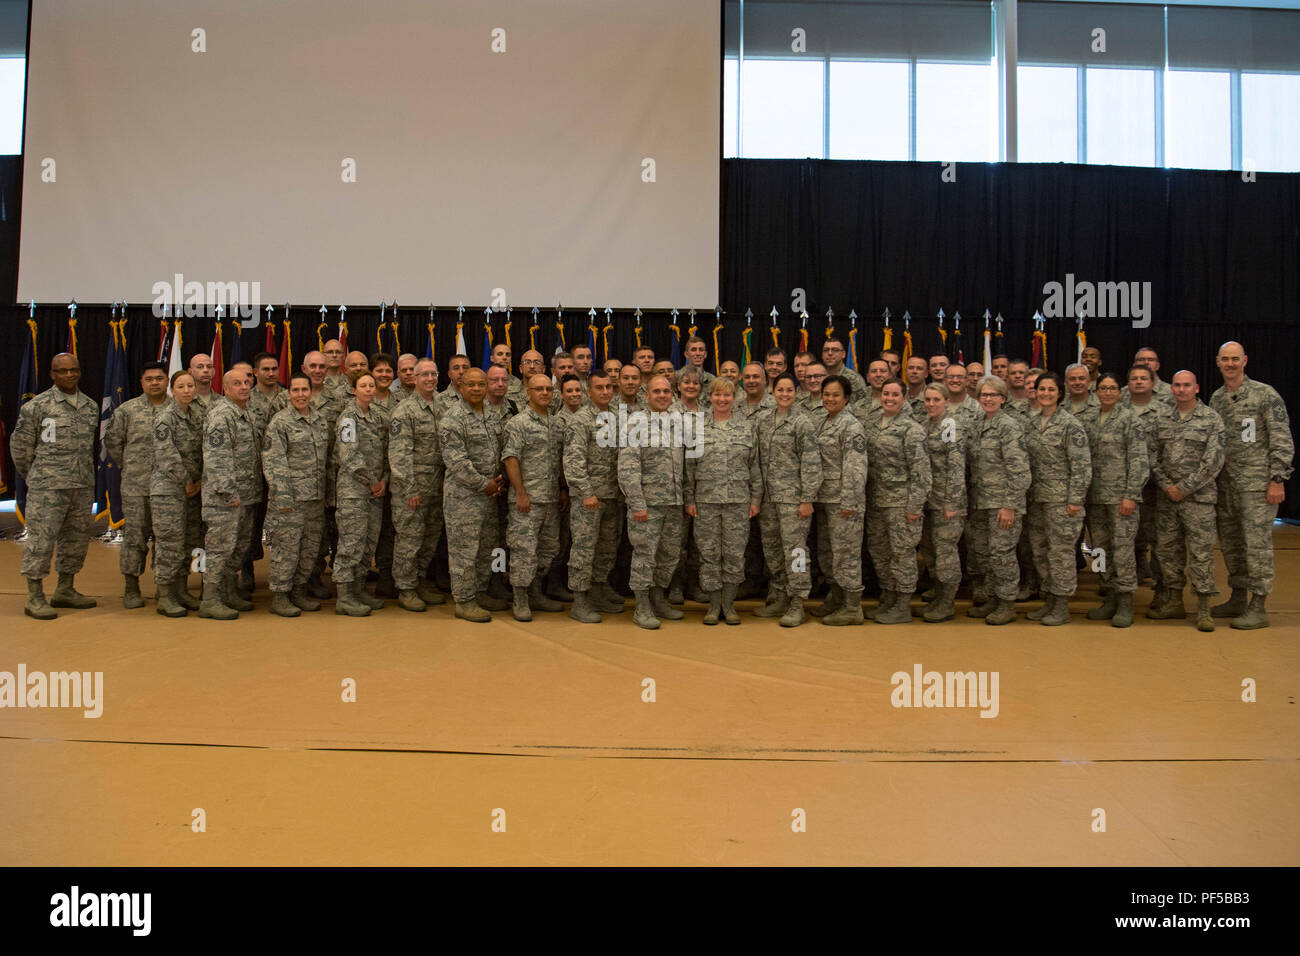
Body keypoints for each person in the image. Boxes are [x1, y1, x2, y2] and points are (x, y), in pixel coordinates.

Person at [1210, 341, 1293, 628]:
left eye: (1235, 359)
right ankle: (1237, 596)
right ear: (1218, 362)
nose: (1230, 364)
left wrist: (1277, 479)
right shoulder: (1217, 398)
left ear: (1245, 361)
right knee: (1232, 544)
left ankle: (1258, 605)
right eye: (1225, 359)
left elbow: (1281, 438)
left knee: (1256, 545)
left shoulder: (1265, 394)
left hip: (1257, 485)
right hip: (1227, 485)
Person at [13, 352, 100, 619]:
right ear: (52, 374)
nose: (69, 375)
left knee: (75, 540)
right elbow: (20, 448)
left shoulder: (90, 406)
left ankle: (65, 588)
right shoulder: (37, 406)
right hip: (47, 487)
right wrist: (38, 476)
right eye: (62, 371)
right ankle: (35, 595)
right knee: (41, 541)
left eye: (73, 370)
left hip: (81, 485)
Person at [1147, 371, 1225, 631]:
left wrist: (1185, 487)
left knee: (1201, 554)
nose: (1181, 390)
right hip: (1167, 499)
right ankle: (1174, 602)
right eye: (1177, 385)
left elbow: (1214, 461)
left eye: (1186, 385)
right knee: (1168, 552)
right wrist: (1167, 485)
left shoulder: (1211, 418)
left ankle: (1203, 609)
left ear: (1197, 388)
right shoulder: (1161, 419)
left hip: (1199, 500)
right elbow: (1152, 456)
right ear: (1172, 389)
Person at [685, 378, 761, 625]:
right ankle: (713, 605)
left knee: (734, 554)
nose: (722, 400)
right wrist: (690, 499)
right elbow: (689, 467)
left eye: (727, 395)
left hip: (738, 501)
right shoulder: (698, 427)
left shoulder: (746, 427)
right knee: (708, 554)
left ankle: (729, 606)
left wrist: (756, 498)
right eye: (718, 395)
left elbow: (755, 466)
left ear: (734, 397)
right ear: (710, 397)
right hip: (705, 501)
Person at [618, 375, 687, 629]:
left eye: (666, 392)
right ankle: (642, 605)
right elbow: (627, 468)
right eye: (656, 391)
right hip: (647, 504)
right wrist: (637, 504)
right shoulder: (634, 423)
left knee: (669, 554)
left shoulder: (677, 423)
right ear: (646, 395)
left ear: (672, 395)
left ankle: (658, 597)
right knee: (645, 555)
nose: (661, 395)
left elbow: (684, 466)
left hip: (673, 503)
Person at [1023, 371, 1091, 626]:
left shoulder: (1070, 425)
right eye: (1042, 389)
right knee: (1040, 552)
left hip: (1062, 502)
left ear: (1059, 393)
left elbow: (1082, 465)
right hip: (1037, 500)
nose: (1046, 394)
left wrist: (1075, 499)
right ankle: (1049, 599)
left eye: (1051, 390)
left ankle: (1061, 604)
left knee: (1061, 553)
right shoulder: (1032, 423)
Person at [1081, 372, 1148, 628]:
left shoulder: (1129, 419)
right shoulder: (1088, 419)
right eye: (1103, 388)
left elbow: (1139, 460)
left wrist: (1131, 494)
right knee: (1099, 550)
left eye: (1112, 388)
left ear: (1119, 393)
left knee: (1122, 550)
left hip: (1121, 499)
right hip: (1095, 498)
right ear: (1095, 392)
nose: (1107, 392)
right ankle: (1108, 594)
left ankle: (1125, 600)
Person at [440, 368, 507, 622]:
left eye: (481, 384)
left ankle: (479, 591)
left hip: (490, 494)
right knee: (463, 550)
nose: (477, 389)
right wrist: (483, 484)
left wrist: (496, 482)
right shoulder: (453, 419)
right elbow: (456, 461)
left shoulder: (491, 414)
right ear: (461, 386)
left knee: (486, 548)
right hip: (464, 497)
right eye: (472, 385)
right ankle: (464, 600)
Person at [754, 373, 821, 626]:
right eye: (780, 389)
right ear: (772, 391)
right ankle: (779, 597)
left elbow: (812, 463)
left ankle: (797, 602)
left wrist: (807, 498)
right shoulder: (763, 420)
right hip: (769, 499)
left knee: (796, 551)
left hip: (794, 500)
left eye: (789, 390)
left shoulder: (802, 422)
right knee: (772, 551)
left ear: (796, 392)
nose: (784, 394)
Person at [262, 374, 332, 617]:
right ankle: (280, 595)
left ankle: (299, 591)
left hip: (315, 498)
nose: (301, 394)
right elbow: (274, 462)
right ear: (288, 393)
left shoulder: (320, 420)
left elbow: (326, 461)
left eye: (305, 389)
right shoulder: (280, 423)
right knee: (287, 549)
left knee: (309, 548)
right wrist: (283, 497)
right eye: (296, 390)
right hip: (289, 500)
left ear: (311, 391)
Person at [104, 361, 170, 609]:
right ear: (142, 382)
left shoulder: (178, 409)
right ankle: (131, 587)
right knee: (134, 539)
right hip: (136, 488)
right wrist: (132, 466)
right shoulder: (126, 411)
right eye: (149, 378)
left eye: (160, 378)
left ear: (167, 381)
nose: (155, 382)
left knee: (167, 540)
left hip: (169, 489)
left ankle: (165, 588)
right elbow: (113, 443)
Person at [966, 376, 1030, 626]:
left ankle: (1006, 603)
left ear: (1003, 399)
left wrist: (1010, 505)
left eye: (994, 395)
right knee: (984, 554)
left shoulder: (1009, 426)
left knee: (1002, 554)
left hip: (1003, 503)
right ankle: (993, 597)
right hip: (980, 502)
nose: (989, 399)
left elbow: (1020, 470)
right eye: (984, 395)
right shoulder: (976, 424)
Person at [865, 380, 930, 624]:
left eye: (895, 394)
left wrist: (914, 506)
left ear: (904, 398)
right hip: (876, 502)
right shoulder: (873, 425)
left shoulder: (912, 430)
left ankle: (903, 604)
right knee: (880, 553)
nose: (889, 398)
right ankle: (889, 597)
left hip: (901, 504)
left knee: (902, 555)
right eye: (885, 393)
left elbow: (921, 472)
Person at [199, 370, 262, 619]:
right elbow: (216, 457)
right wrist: (227, 491)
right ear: (225, 388)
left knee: (239, 547)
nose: (244, 387)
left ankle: (227, 592)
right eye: (237, 384)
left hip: (246, 494)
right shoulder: (221, 415)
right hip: (223, 498)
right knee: (218, 549)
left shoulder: (247, 414)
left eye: (246, 382)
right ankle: (209, 599)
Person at [502, 375, 565, 621]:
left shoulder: (556, 424)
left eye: (548, 389)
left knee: (549, 549)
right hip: (526, 499)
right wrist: (520, 492)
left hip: (549, 498)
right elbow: (510, 459)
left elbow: (559, 459)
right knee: (524, 551)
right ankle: (520, 598)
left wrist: (562, 489)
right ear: (528, 392)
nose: (545, 393)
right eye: (539, 389)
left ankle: (536, 592)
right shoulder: (518, 423)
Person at [564, 369, 625, 622]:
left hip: (612, 497)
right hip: (589, 499)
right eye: (599, 387)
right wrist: (586, 492)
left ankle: (599, 592)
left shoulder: (615, 418)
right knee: (584, 550)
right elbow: (573, 461)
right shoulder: (580, 420)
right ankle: (580, 601)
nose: (605, 391)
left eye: (609, 387)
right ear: (588, 392)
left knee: (607, 549)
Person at [387, 358, 447, 612]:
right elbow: (399, 454)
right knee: (409, 540)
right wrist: (409, 489)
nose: (430, 379)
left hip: (437, 487)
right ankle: (406, 587)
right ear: (413, 377)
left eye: (434, 374)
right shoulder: (405, 410)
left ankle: (419, 581)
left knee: (429, 539)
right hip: (412, 490)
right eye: (425, 375)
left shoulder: (442, 406)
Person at [330, 373, 389, 616]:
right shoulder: (348, 418)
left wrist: (384, 479)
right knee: (351, 544)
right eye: (363, 386)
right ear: (353, 390)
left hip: (376, 491)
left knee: (368, 544)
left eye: (371, 385)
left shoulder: (378, 416)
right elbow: (349, 456)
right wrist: (372, 481)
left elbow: (388, 452)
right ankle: (344, 597)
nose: (368, 389)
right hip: (354, 491)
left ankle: (358, 589)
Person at [810, 376, 867, 625]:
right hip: (825, 499)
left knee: (846, 554)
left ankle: (853, 607)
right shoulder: (824, 421)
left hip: (844, 503)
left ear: (846, 398)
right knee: (828, 553)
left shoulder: (851, 426)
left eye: (835, 395)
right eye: (826, 394)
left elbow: (855, 468)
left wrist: (849, 502)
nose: (830, 399)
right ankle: (836, 597)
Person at [149, 370, 206, 616]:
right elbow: (167, 455)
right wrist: (186, 481)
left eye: (190, 386)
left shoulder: (198, 414)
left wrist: (200, 481)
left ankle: (182, 589)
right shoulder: (164, 418)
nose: (187, 390)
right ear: (173, 390)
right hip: (168, 490)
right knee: (169, 542)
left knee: (189, 541)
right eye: (181, 386)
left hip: (193, 489)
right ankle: (165, 594)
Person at [919, 384, 966, 622]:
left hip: (946, 501)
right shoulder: (927, 424)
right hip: (928, 500)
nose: (931, 404)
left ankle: (947, 602)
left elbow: (955, 467)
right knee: (931, 551)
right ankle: (939, 594)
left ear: (947, 401)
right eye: (927, 399)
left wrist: (952, 502)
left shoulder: (949, 425)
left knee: (946, 552)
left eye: (936, 399)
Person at [1124, 364, 1164, 595]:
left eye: (1143, 378)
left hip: (1156, 486)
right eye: (1134, 378)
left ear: (1152, 383)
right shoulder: (1117, 409)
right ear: (1128, 384)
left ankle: (1162, 585)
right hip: (1123, 485)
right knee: (1127, 537)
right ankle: (1123, 580)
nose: (1138, 382)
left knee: (1159, 536)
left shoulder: (1165, 411)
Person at [821, 337, 866, 403]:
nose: (830, 353)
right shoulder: (816, 377)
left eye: (835, 350)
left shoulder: (854, 379)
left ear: (843, 354)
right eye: (826, 350)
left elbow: (861, 407)